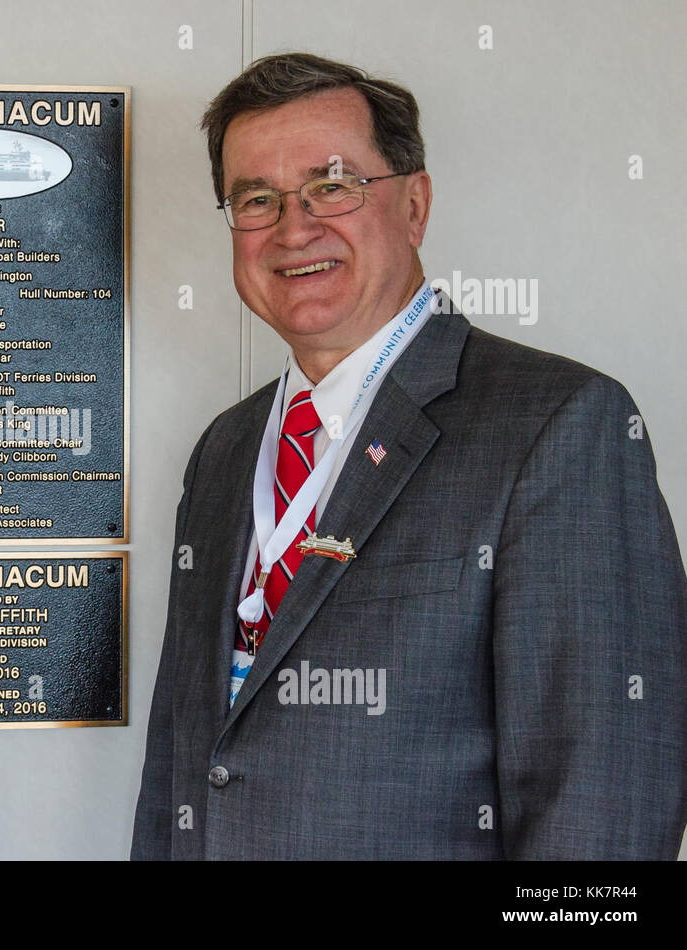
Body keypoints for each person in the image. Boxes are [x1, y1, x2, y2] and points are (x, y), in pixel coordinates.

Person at [131, 53, 687, 859]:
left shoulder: (561, 425)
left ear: (415, 204)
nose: (294, 227)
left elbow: (603, 801)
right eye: (258, 199)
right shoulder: (224, 448)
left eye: (333, 185)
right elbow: (183, 762)